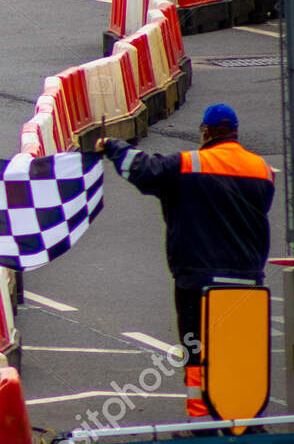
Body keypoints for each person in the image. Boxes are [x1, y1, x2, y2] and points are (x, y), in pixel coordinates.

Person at [96, 103, 275, 422]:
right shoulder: (262, 170)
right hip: (247, 279)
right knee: (238, 350)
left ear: (206, 132)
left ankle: (201, 417)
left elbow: (142, 170)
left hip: (198, 279)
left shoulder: (188, 165)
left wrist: (111, 146)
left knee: (196, 349)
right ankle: (242, 417)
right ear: (235, 132)